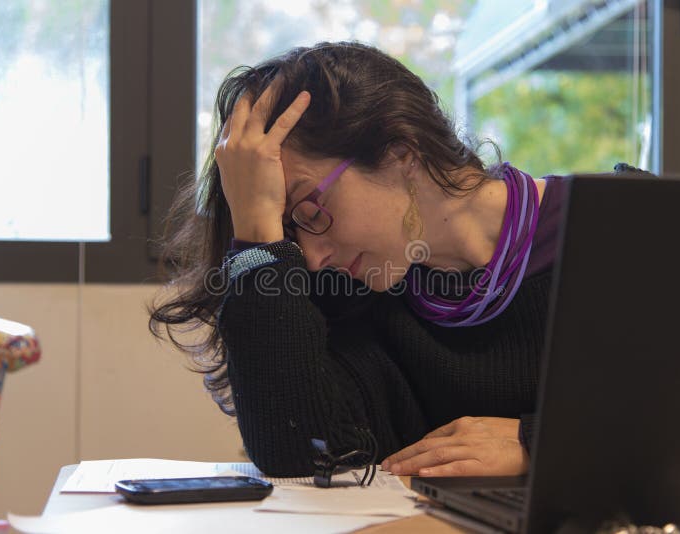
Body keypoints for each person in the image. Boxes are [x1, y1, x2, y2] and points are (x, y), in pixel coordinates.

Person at [150, 41, 571, 479]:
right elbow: (299, 454)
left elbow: (649, 432)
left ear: (400, 153)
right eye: (289, 232)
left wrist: (542, 443)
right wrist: (257, 235)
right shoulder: (351, 290)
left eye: (310, 212)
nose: (311, 260)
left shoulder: (622, 225)